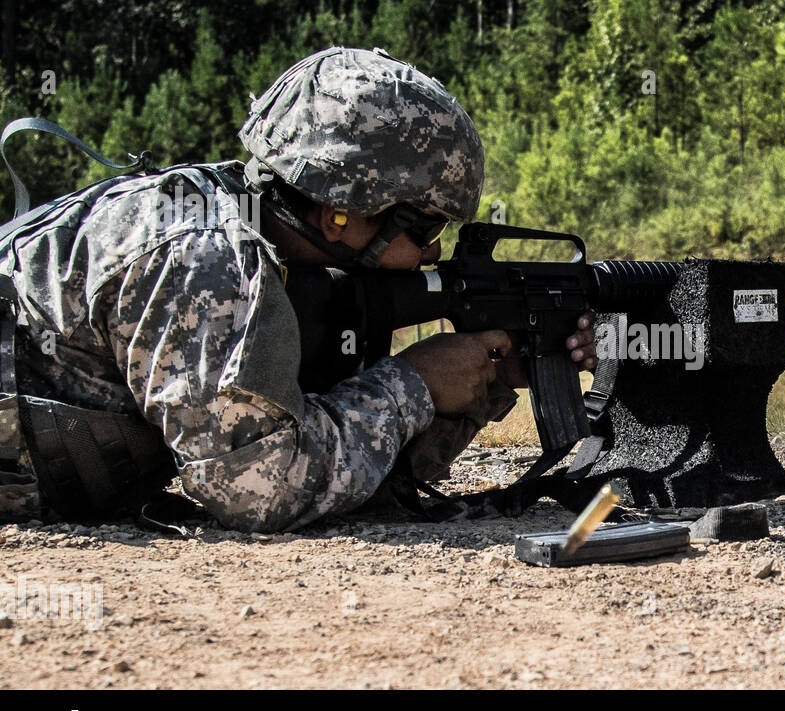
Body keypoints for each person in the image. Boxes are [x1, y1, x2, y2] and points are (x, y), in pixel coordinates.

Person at [0, 46, 596, 531]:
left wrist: (486, 377)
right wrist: (412, 382)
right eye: (426, 227)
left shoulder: (260, 240)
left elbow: (345, 468)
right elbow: (260, 488)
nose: (434, 253)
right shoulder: (209, 263)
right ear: (345, 211)